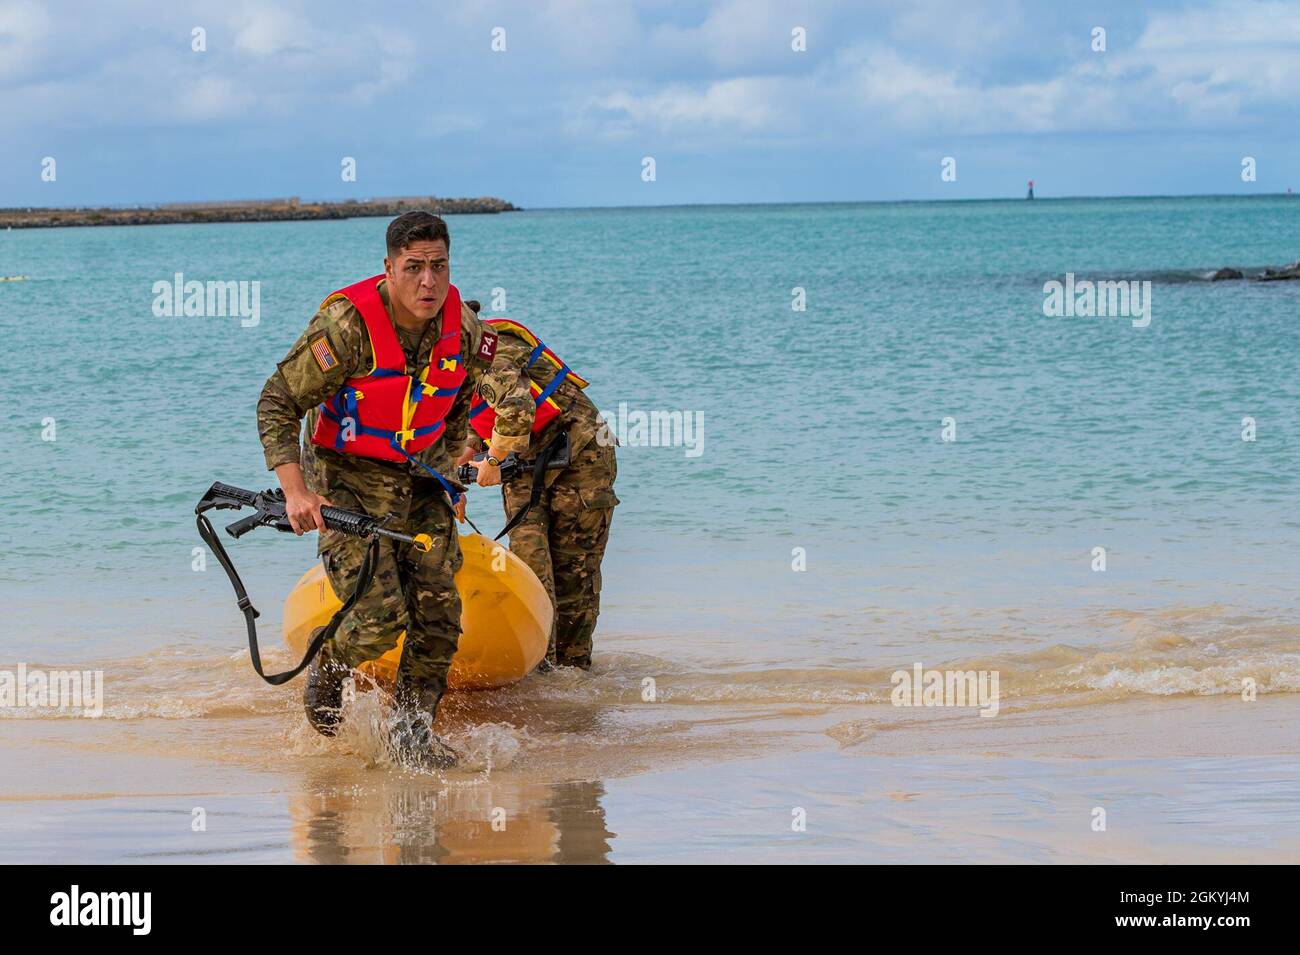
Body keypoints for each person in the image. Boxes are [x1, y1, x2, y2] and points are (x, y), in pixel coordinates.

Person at [256, 212, 496, 768]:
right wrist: (296, 491)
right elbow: (276, 402)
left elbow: (460, 398)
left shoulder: (463, 325)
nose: (428, 283)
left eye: (439, 267)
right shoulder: (347, 328)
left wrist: (450, 475)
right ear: (389, 269)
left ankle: (409, 736)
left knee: (440, 614)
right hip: (344, 476)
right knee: (381, 616)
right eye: (414, 268)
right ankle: (331, 659)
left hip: (418, 475)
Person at [458, 313, 618, 670]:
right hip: (525, 459)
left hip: (580, 454)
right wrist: (457, 471)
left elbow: (516, 410)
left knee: (575, 571)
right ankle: (540, 670)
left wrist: (494, 462)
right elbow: (479, 412)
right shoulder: (446, 361)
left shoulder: (488, 351)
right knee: (531, 566)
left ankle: (574, 674)